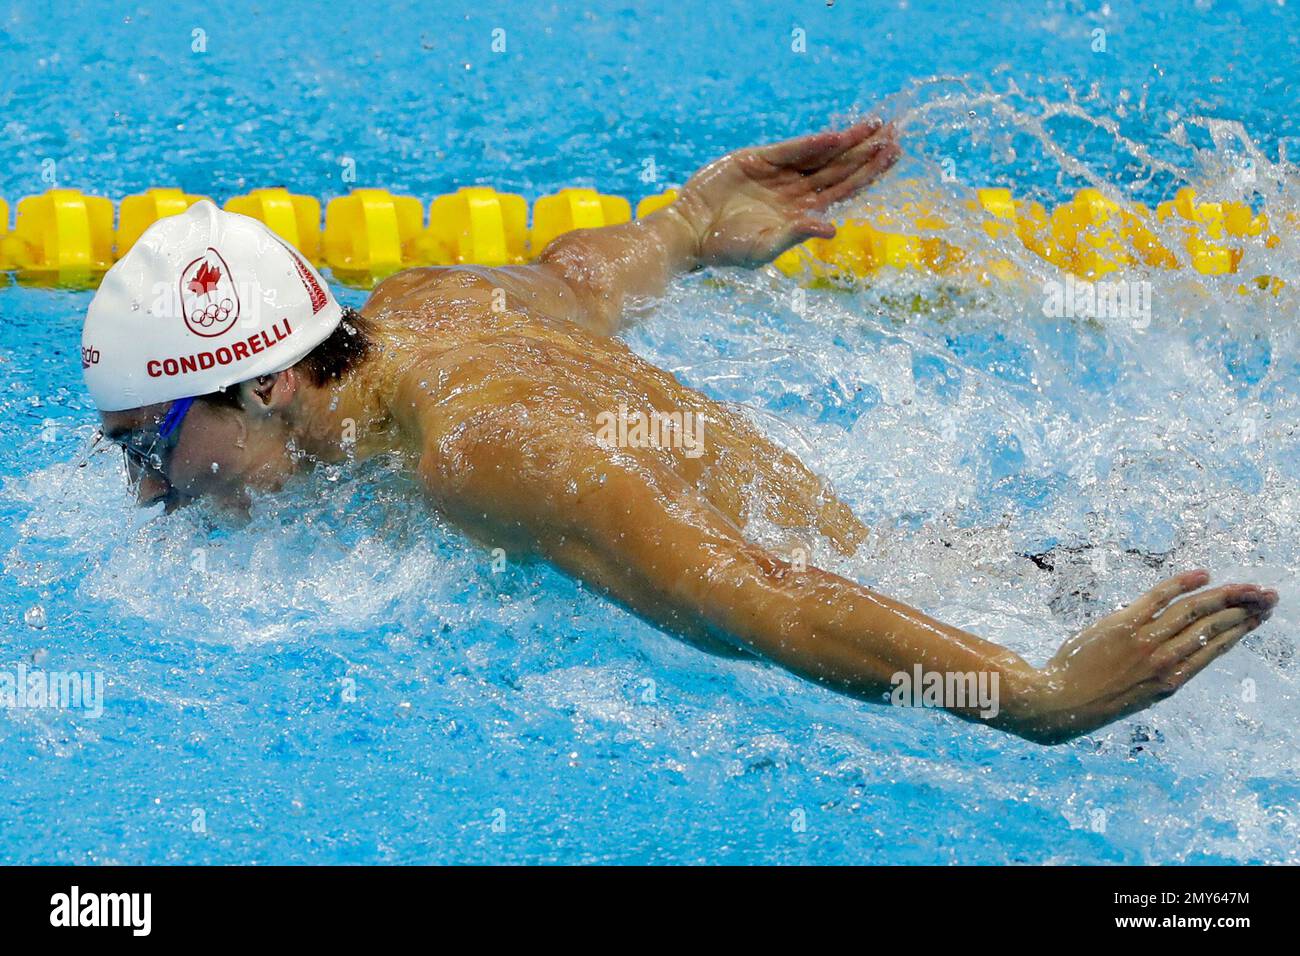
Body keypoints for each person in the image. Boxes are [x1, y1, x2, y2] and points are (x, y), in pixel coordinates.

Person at [81, 119, 1277, 744]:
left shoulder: (477, 454)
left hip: (1002, 624)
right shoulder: (427, 306)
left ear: (266, 386)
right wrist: (690, 226)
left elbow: (756, 593)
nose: (148, 494)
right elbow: (576, 273)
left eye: (152, 447)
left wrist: (1035, 692)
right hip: (994, 569)